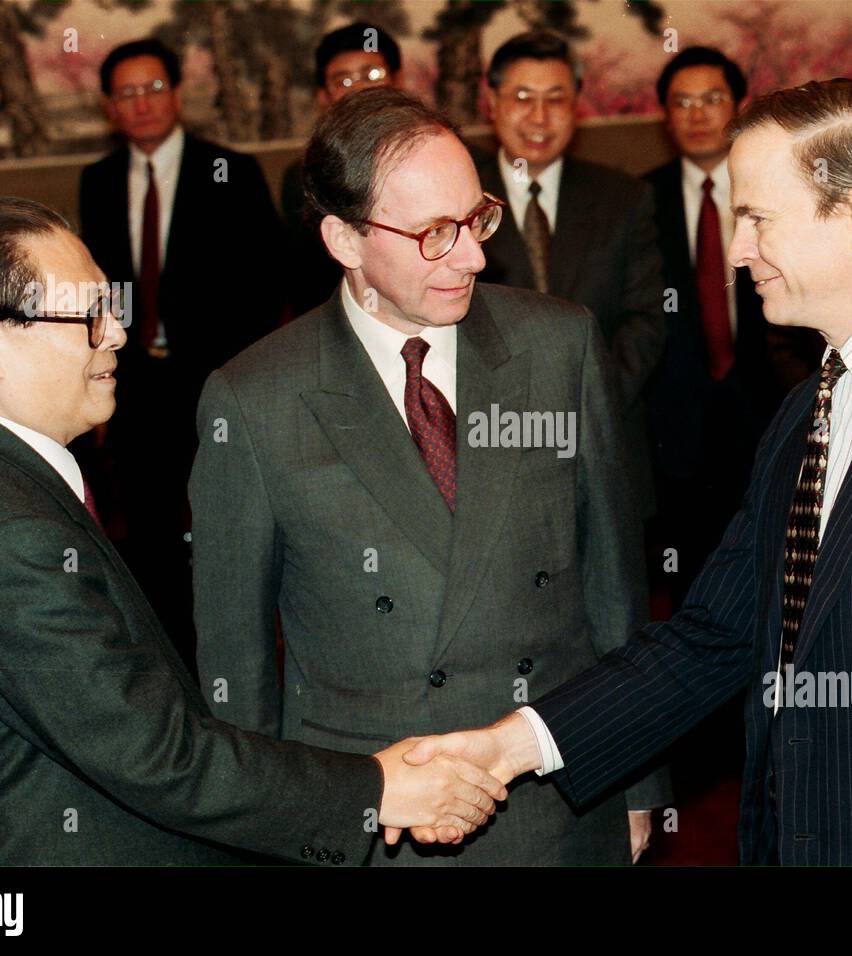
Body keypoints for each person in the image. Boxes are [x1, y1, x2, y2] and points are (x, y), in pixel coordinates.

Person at [402, 79, 852, 866]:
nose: (737, 251)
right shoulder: (811, 403)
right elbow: (714, 637)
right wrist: (510, 746)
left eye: (757, 219)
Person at [0, 196, 505, 865]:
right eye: (89, 315)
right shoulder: (5, 533)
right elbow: (157, 756)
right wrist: (379, 789)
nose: (116, 333)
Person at [190, 88, 669, 866]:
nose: (473, 256)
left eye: (476, 219)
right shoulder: (254, 399)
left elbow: (616, 590)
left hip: (555, 795)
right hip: (371, 814)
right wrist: (268, 835)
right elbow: (237, 663)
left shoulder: (559, 346)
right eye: (434, 234)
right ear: (344, 239)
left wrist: (640, 783)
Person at [78, 38, 287, 674]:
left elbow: (264, 281)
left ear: (175, 93)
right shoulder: (99, 180)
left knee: (232, 530)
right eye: (125, 93)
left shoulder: (230, 169)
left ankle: (243, 663)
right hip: (135, 387)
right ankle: (173, 668)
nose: (140, 104)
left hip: (216, 382)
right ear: (110, 106)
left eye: (152, 88)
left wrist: (233, 371)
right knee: (150, 539)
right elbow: (99, 284)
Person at [642, 45, 818, 607]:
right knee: (693, 589)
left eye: (712, 99)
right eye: (681, 102)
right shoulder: (641, 199)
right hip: (676, 423)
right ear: (665, 116)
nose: (697, 115)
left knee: (779, 581)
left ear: (739, 106)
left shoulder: (779, 190)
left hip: (771, 405)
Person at [475, 30, 665, 520]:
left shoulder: (623, 199)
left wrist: (580, 411)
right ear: (490, 102)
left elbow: (646, 320)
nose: (539, 117)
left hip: (601, 447)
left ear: (577, 106)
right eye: (522, 98)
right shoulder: (458, 197)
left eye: (555, 99)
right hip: (484, 443)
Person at [281, 21, 403, 317]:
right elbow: (305, 286)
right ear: (324, 97)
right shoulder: (302, 180)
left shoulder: (444, 158)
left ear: (397, 81)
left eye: (372, 75)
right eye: (343, 81)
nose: (360, 91)